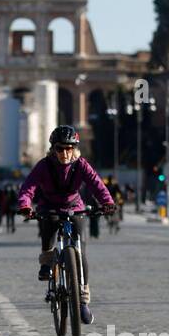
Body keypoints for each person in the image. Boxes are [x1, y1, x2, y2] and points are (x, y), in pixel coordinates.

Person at [15, 126, 115, 324]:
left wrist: (107, 202)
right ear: (53, 149)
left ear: (75, 149)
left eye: (69, 148)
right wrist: (25, 205)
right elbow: (28, 187)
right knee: (48, 224)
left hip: (74, 207)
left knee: (80, 251)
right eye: (60, 149)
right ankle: (46, 262)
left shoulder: (81, 165)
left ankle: (83, 302)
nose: (65, 153)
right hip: (50, 207)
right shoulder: (44, 166)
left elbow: (97, 184)